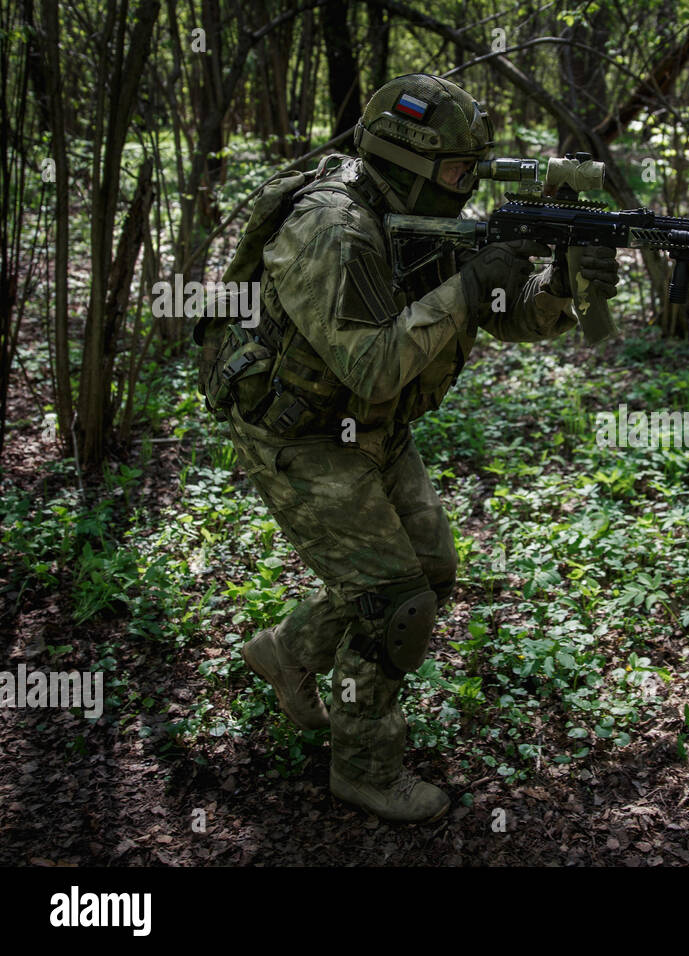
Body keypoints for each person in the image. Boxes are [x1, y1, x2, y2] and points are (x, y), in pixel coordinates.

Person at [206, 73, 620, 822]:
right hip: (297, 433)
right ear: (410, 167)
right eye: (460, 173)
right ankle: (365, 768)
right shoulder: (331, 230)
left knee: (431, 568)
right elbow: (371, 361)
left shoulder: (423, 218)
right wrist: (470, 284)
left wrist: (562, 280)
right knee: (395, 605)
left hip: (368, 424)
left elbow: (515, 315)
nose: (471, 186)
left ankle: (288, 653)